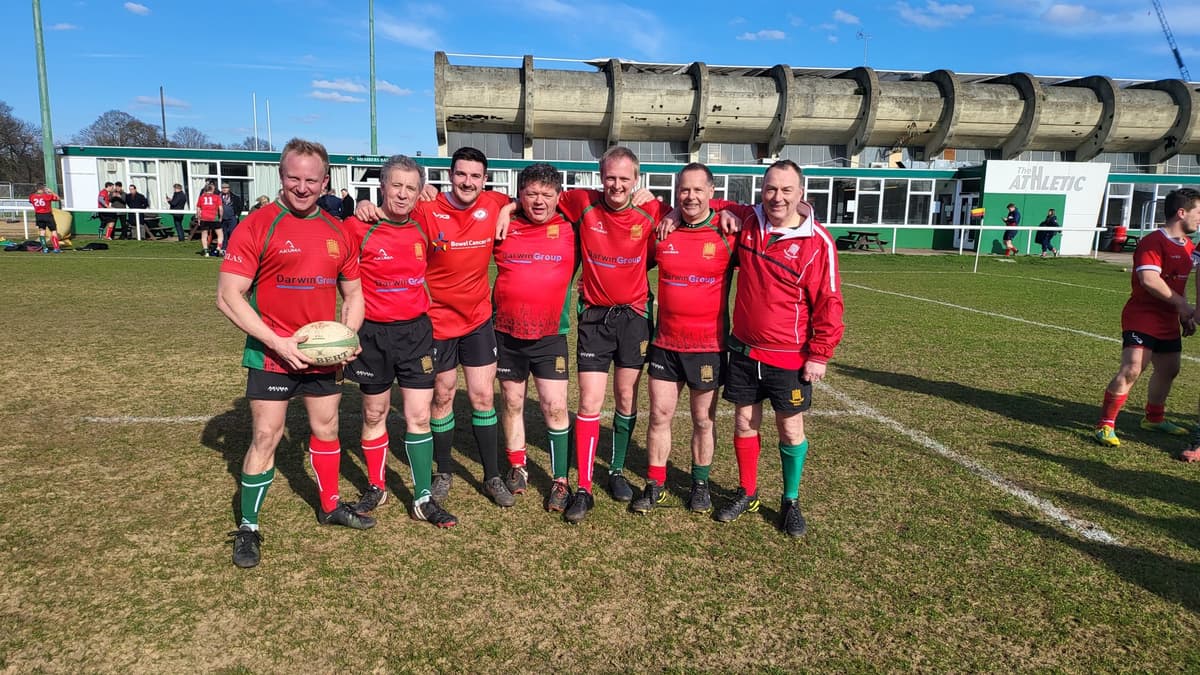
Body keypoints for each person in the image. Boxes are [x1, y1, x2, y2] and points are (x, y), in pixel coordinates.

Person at [217, 137, 367, 569]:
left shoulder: (338, 231)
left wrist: (347, 337)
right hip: (272, 354)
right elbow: (228, 296)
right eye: (293, 178)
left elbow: (354, 294)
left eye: (311, 180)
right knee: (267, 436)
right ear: (281, 176)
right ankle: (249, 527)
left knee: (327, 428)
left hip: (321, 356)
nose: (302, 187)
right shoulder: (257, 225)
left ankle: (330, 505)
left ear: (326, 181)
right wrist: (277, 342)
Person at [355, 147, 515, 508]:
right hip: (437, 322)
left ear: (485, 180)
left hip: (477, 319)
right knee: (442, 396)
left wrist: (509, 208)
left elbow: (530, 200)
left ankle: (492, 475)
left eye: (476, 176)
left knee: (483, 396)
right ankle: (444, 471)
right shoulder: (426, 208)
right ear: (450, 175)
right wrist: (364, 206)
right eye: (461, 174)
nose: (468, 182)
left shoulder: (494, 203)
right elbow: (391, 213)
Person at [712, 159, 845, 538]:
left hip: (790, 357)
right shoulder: (750, 221)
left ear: (801, 193)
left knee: (789, 428)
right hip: (744, 351)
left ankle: (790, 501)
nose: (777, 197)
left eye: (786, 190)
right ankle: (747, 492)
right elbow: (706, 202)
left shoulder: (818, 241)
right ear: (761, 190)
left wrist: (820, 353)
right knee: (744, 423)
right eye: (770, 189)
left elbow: (830, 301)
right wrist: (682, 211)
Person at [342, 155, 458, 527]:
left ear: (419, 191)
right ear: (382, 186)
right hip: (373, 334)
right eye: (396, 185)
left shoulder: (424, 223)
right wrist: (361, 205)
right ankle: (377, 486)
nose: (403, 194)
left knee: (419, 415)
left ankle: (422, 498)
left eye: (411, 187)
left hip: (416, 334)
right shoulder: (358, 227)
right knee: (374, 413)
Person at [555, 146, 664, 524]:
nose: (616, 185)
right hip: (595, 318)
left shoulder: (651, 209)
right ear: (601, 177)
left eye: (624, 179)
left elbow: (697, 206)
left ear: (636, 180)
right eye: (610, 178)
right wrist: (506, 208)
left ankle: (616, 471)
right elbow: (538, 196)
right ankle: (584, 488)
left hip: (634, 317)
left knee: (626, 396)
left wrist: (667, 206)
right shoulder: (582, 202)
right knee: (589, 401)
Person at [631, 163, 737, 516]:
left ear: (712, 192)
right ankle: (655, 485)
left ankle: (700, 485)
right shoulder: (664, 231)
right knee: (659, 416)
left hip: (708, 347)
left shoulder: (728, 231)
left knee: (703, 420)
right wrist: (668, 212)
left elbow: (764, 210)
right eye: (684, 190)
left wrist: (721, 210)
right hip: (666, 345)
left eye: (698, 190)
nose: (690, 197)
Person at [491, 163, 577, 512]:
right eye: (530, 194)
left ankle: (560, 480)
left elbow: (606, 202)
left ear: (559, 196)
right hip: (507, 332)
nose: (539, 201)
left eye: (546, 194)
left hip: (550, 334)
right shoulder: (504, 223)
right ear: (519, 195)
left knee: (554, 406)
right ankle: (517, 465)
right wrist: (506, 208)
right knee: (512, 402)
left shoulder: (572, 227)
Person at [1094, 187, 1200, 450]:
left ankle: (1154, 418)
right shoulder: (1153, 241)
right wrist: (1183, 306)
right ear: (1181, 212)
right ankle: (1105, 424)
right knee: (1132, 368)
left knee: (1169, 369)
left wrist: (1182, 314)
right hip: (1142, 316)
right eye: (1198, 212)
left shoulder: (1189, 247)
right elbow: (1149, 280)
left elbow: (1180, 286)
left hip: (1168, 318)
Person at [29, 184, 63, 253]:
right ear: (42, 189)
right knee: (53, 231)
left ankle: (45, 248)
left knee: (42, 231)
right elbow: (58, 198)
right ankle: (56, 248)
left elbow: (30, 200)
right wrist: (51, 192)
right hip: (47, 215)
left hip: (38, 216)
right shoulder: (47, 196)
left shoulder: (32, 196)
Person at [195, 183, 224, 256]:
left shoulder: (201, 198)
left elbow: (198, 209)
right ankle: (218, 249)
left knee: (204, 235)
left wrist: (198, 218)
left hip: (204, 218)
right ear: (212, 190)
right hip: (214, 218)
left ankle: (206, 251)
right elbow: (220, 209)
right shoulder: (217, 197)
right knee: (220, 235)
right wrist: (220, 217)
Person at [219, 183, 244, 251]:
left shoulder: (235, 197)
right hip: (223, 217)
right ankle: (224, 248)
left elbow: (240, 206)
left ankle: (233, 247)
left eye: (226, 188)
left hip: (232, 217)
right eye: (223, 188)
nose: (224, 189)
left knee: (232, 232)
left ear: (229, 188)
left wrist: (237, 215)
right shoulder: (219, 197)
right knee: (224, 233)